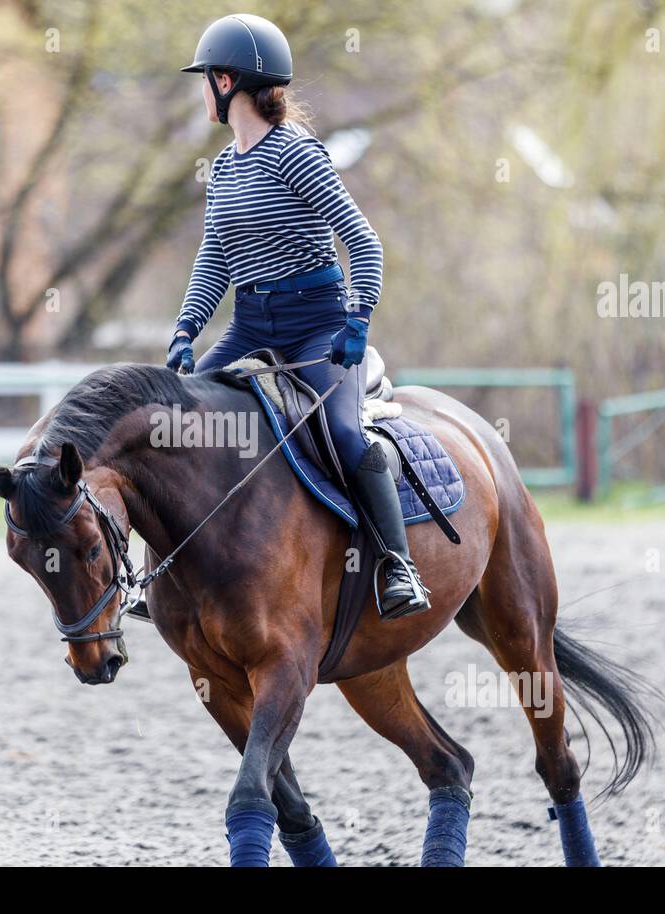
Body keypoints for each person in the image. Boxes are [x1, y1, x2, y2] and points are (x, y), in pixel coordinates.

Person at [167, 13, 428, 619]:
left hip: (317, 326)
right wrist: (185, 331)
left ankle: (398, 566)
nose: (202, 89)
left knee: (341, 432)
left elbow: (363, 242)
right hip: (251, 326)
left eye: (205, 78)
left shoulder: (295, 154)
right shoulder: (226, 167)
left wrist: (358, 320)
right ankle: (178, 570)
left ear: (228, 82)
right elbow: (214, 261)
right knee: (176, 419)